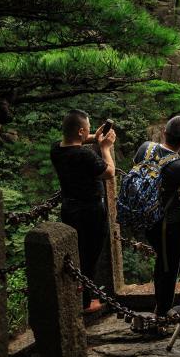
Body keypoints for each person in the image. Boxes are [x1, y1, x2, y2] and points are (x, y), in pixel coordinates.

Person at [51, 109, 116, 313]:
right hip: (91, 211)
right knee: (89, 255)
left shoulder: (56, 150)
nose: (88, 132)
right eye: (86, 130)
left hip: (70, 208)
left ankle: (80, 296)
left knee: (75, 253)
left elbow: (75, 141)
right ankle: (85, 302)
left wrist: (94, 137)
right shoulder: (85, 155)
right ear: (80, 131)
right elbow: (109, 173)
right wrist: (104, 147)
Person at [132, 115, 180, 317]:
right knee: (169, 266)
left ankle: (162, 305)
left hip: (145, 217)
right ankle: (164, 310)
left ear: (164, 132)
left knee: (162, 261)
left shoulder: (145, 147)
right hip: (170, 222)